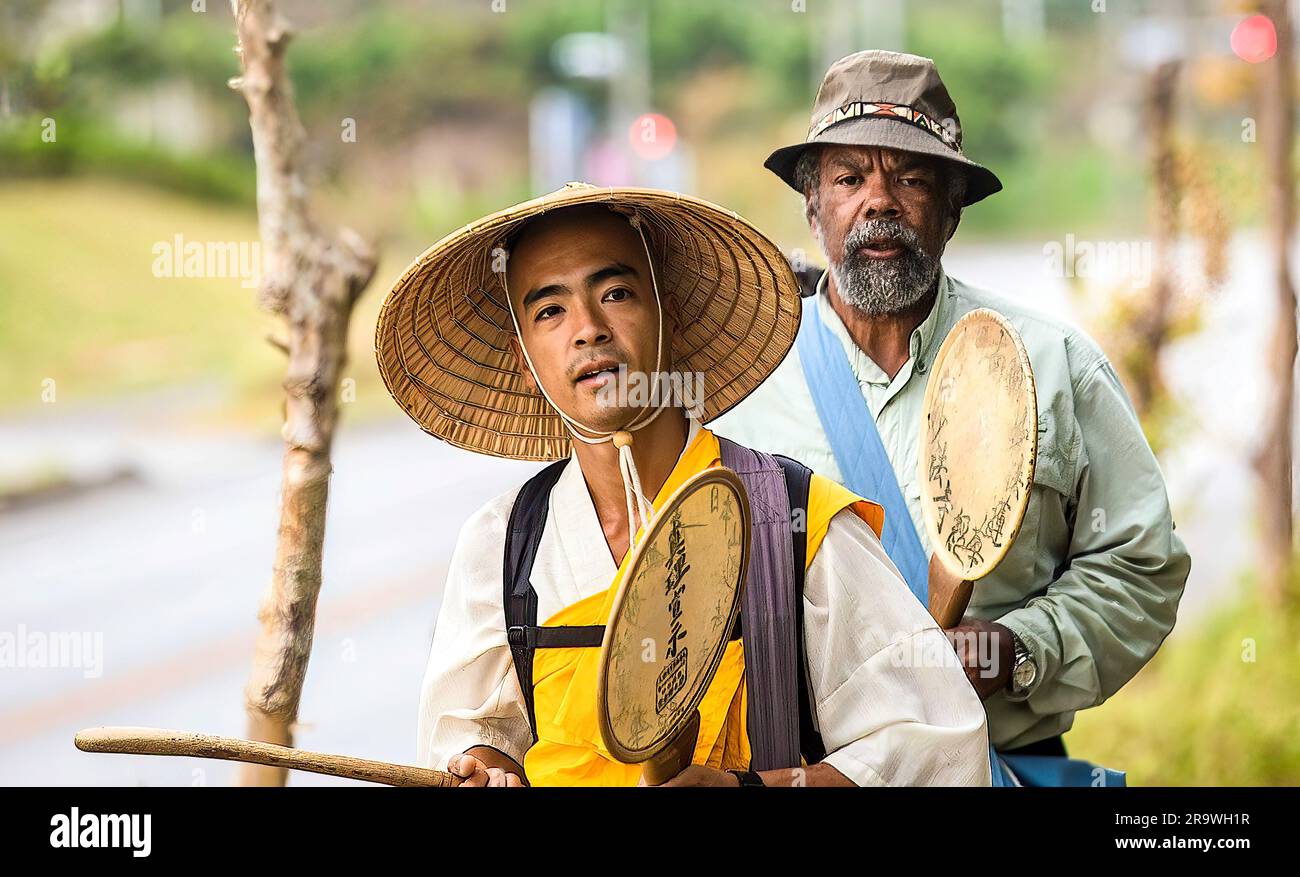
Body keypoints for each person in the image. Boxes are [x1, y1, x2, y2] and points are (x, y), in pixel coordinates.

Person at [375, 183, 990, 787]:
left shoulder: (793, 518)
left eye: (615, 293)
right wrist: (488, 768)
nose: (587, 328)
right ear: (524, 356)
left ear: (667, 311)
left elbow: (937, 746)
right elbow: (478, 733)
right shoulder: (503, 547)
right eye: (550, 310)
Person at [711, 50, 1191, 783]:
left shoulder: (1053, 364)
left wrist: (1022, 646)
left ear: (952, 209)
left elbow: (1143, 565)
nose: (879, 202)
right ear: (814, 208)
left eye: (910, 178)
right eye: (849, 178)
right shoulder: (743, 386)